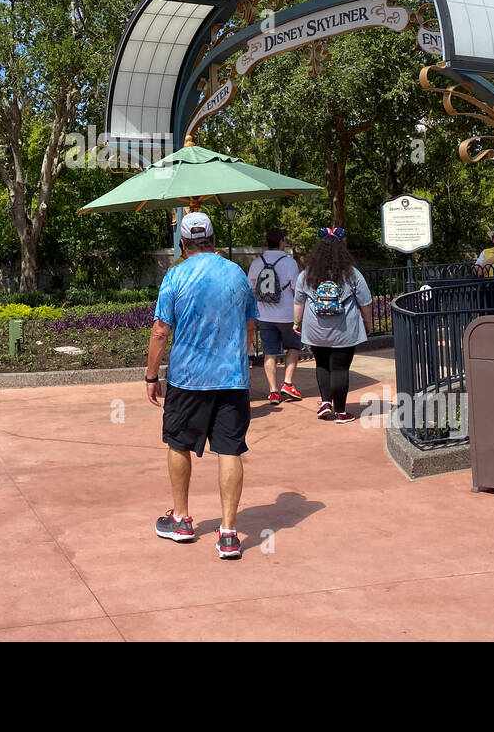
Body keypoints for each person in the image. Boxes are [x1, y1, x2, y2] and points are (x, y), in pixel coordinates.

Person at [145, 211, 258, 559]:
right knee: (230, 449)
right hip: (231, 380)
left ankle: (181, 520)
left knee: (178, 444)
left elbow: (161, 330)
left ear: (182, 242)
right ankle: (227, 534)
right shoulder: (237, 274)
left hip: (187, 380)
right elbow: (251, 326)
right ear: (212, 239)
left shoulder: (175, 276)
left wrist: (151, 376)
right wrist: (238, 357)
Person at [293, 227, 373, 422]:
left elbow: (298, 301)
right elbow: (365, 301)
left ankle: (325, 402)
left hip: (315, 329)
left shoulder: (307, 274)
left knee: (321, 364)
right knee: (340, 368)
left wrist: (297, 323)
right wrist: (367, 322)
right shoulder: (352, 274)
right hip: (344, 329)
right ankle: (341, 412)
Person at [247, 228, 302, 406]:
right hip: (286, 315)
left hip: (264, 315)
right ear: (281, 242)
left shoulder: (257, 262)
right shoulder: (289, 263)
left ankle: (273, 392)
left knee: (269, 352)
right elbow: (296, 289)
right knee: (293, 347)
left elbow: (250, 289)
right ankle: (287, 383)